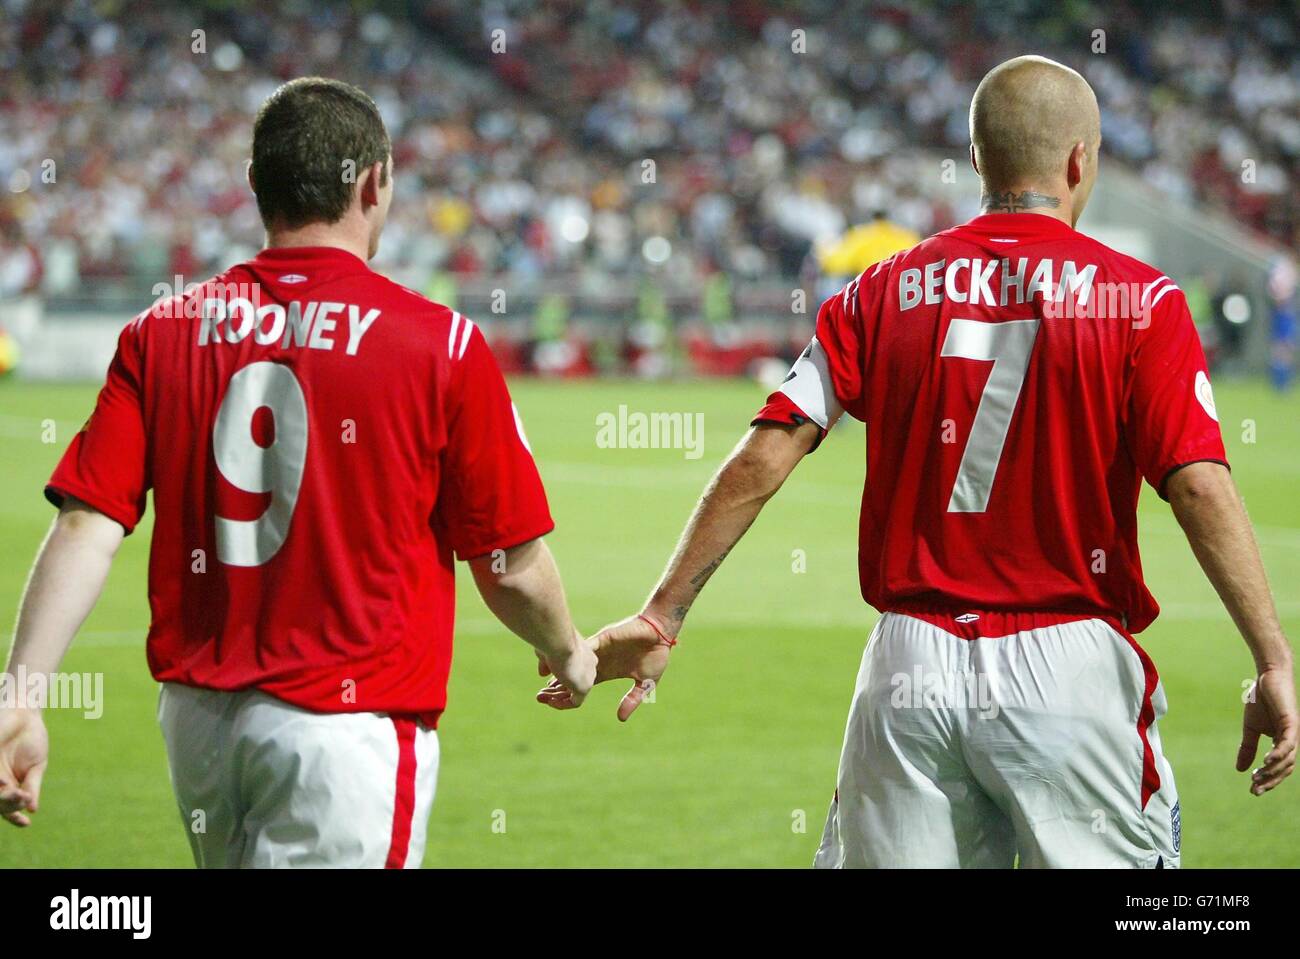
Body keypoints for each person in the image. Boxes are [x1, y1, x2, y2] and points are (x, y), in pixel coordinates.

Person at [547, 56, 1298, 868]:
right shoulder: (1141, 299)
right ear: (1082, 160)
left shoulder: (877, 290)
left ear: (978, 158)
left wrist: (662, 613)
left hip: (910, 669)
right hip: (1070, 665)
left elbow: (765, 453)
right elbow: (1196, 482)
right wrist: (1272, 659)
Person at [0, 77, 596, 867]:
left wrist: (20, 695)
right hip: (344, 731)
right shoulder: (440, 345)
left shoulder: (161, 331)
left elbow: (85, 523)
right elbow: (510, 568)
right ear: (373, 183)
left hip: (197, 727)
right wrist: (570, 652)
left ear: (256, 186)